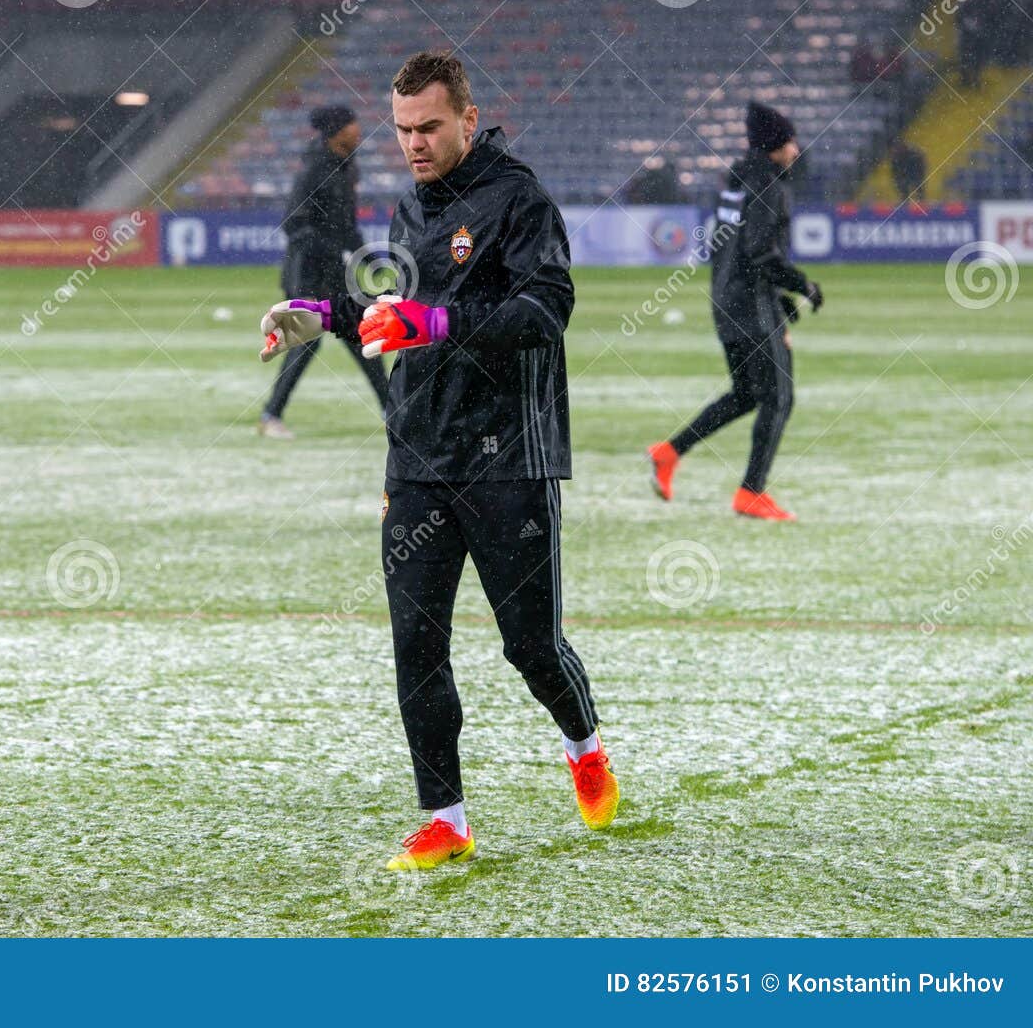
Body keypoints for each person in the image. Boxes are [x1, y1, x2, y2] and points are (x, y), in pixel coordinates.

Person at [258, 53, 617, 870]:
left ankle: (583, 745)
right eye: (401, 130)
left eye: (427, 128)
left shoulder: (519, 198)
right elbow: (402, 308)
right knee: (415, 643)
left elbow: (544, 310)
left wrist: (438, 325)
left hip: (509, 459)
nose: (413, 144)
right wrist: (322, 314)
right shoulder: (411, 206)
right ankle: (446, 819)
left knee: (530, 647)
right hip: (418, 457)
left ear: (466, 117)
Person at [647, 101, 824, 521]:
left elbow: (733, 249)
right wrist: (802, 286)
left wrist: (777, 300)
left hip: (726, 301)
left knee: (748, 393)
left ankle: (669, 452)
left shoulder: (737, 181)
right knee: (779, 397)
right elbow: (760, 251)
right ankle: (751, 492)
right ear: (774, 145)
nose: (796, 149)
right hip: (751, 305)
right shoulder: (770, 186)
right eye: (789, 140)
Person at [256, 105, 390, 439]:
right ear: (337, 131)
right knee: (306, 342)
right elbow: (293, 224)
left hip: (334, 273)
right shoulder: (315, 170)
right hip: (307, 273)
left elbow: (348, 228)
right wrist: (334, 249)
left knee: (360, 335)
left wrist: (371, 262)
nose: (358, 130)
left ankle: (393, 410)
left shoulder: (347, 168)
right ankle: (271, 416)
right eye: (352, 124)